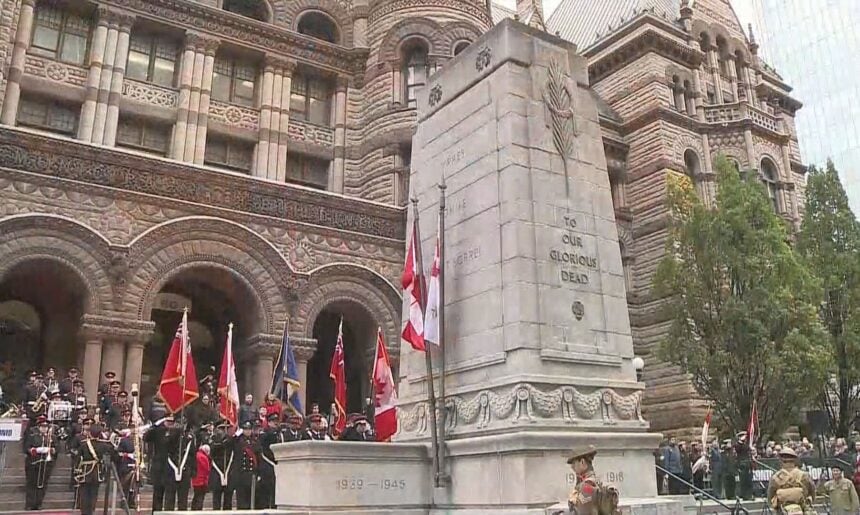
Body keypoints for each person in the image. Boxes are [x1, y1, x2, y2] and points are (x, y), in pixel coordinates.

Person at [565, 446, 619, 515]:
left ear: (582, 462)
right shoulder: (596, 482)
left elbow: (584, 512)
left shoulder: (586, 487)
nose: (572, 467)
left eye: (574, 463)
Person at [75, 424, 114, 515]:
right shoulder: (103, 445)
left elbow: (78, 458)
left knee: (84, 495)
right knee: (93, 494)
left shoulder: (84, 444)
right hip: (97, 472)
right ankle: (91, 511)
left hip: (85, 472)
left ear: (90, 433)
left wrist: (76, 472)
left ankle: (85, 512)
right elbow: (113, 450)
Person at [766, 447, 814, 515]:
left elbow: (770, 496)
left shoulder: (775, 477)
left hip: (782, 510)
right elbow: (812, 491)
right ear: (795, 460)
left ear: (781, 461)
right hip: (802, 509)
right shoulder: (804, 475)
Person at [163, 421, 197, 511]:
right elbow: (166, 448)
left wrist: (194, 470)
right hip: (171, 471)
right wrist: (174, 433)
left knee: (183, 501)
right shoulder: (169, 438)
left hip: (185, 471)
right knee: (169, 500)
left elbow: (192, 455)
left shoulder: (189, 439)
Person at [24, 416, 56, 510]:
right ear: (38, 427)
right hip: (34, 463)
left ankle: (39, 503)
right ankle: (30, 504)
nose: (44, 428)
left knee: (42, 485)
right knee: (32, 484)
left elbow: (57, 448)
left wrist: (51, 449)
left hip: (45, 464)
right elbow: (26, 447)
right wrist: (34, 450)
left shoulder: (52, 437)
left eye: (46, 426)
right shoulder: (33, 436)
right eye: (42, 426)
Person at [144, 415, 174, 512]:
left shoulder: (176, 432)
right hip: (159, 467)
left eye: (172, 422)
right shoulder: (158, 431)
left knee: (170, 496)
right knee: (157, 494)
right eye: (168, 421)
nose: (170, 423)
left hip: (171, 468)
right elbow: (146, 437)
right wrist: (155, 425)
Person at [209, 422, 236, 510]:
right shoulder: (213, 439)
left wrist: (229, 441)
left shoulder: (231, 440)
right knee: (216, 500)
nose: (224, 431)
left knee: (228, 500)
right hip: (217, 472)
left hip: (228, 472)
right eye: (222, 429)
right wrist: (221, 443)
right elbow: (212, 450)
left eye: (226, 429)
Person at [230, 421, 258, 510]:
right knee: (242, 502)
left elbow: (258, 457)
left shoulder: (255, 441)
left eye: (249, 429)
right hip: (241, 474)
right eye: (246, 429)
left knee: (251, 500)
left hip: (251, 474)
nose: (248, 431)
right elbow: (229, 444)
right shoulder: (238, 441)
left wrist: (258, 473)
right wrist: (235, 436)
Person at [257, 412, 282, 509]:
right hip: (268, 465)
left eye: (276, 421)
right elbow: (265, 447)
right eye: (273, 421)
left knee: (275, 492)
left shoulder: (279, 433)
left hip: (278, 465)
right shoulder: (266, 433)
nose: (275, 423)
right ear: (269, 422)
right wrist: (274, 432)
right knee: (266, 492)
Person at [191, 444, 211, 511]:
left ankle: (193, 509)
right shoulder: (203, 457)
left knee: (196, 496)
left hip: (195, 480)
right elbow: (207, 469)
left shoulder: (196, 455)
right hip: (202, 480)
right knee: (200, 497)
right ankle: (198, 510)